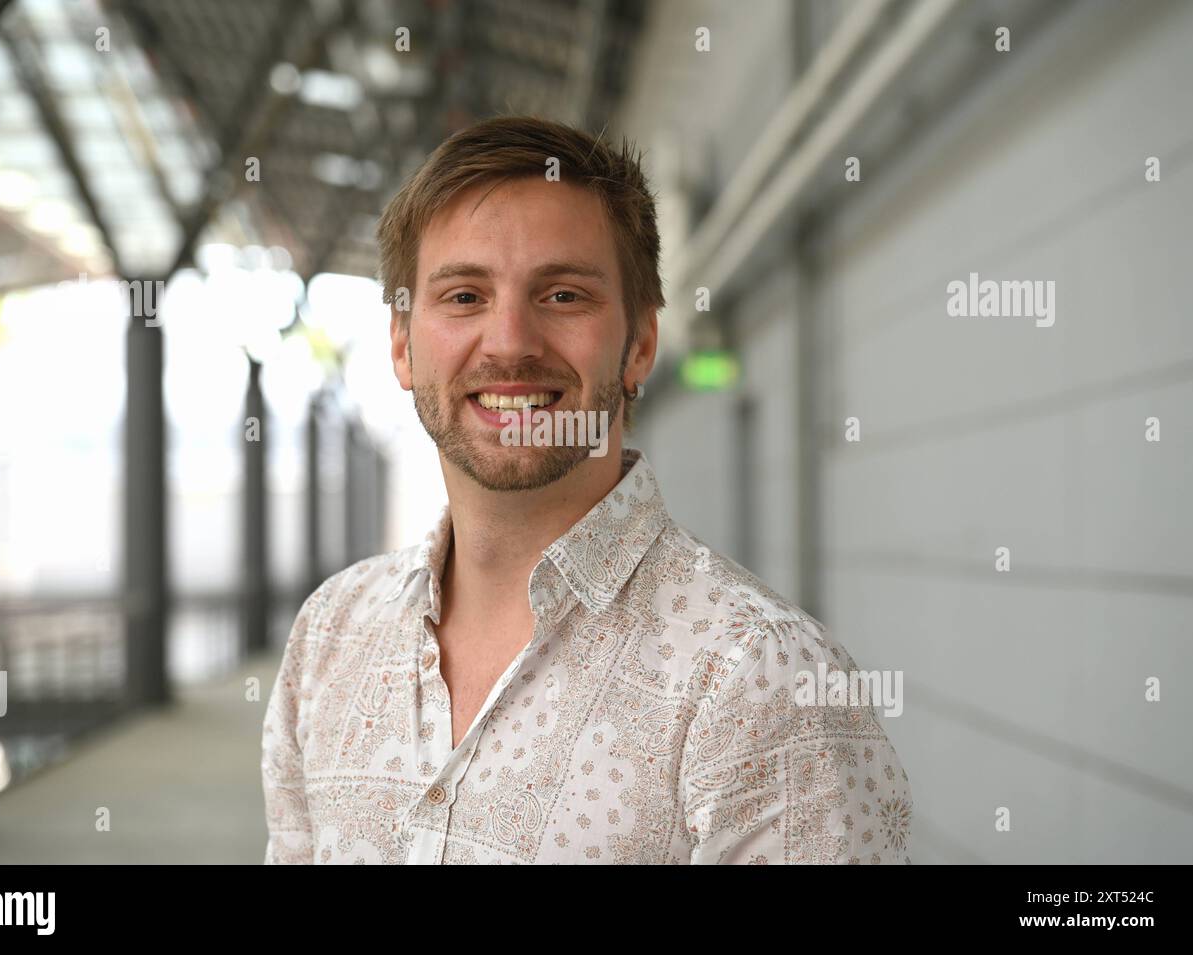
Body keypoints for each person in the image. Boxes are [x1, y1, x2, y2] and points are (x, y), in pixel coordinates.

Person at [261, 115, 913, 864]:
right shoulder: (330, 636)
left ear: (638, 343)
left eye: (563, 295)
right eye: (465, 296)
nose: (509, 341)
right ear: (403, 345)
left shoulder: (764, 680)